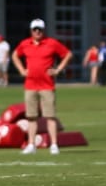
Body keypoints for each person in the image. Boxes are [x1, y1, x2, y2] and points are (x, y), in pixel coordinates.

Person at [13, 18, 72, 155]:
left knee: (50, 116)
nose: (37, 32)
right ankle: (31, 145)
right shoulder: (25, 44)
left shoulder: (51, 43)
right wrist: (21, 70)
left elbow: (67, 54)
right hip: (30, 85)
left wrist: (58, 70)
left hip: (47, 85)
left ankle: (54, 144)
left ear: (43, 30)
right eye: (35, 29)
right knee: (31, 117)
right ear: (31, 31)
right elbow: (15, 55)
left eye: (39, 29)